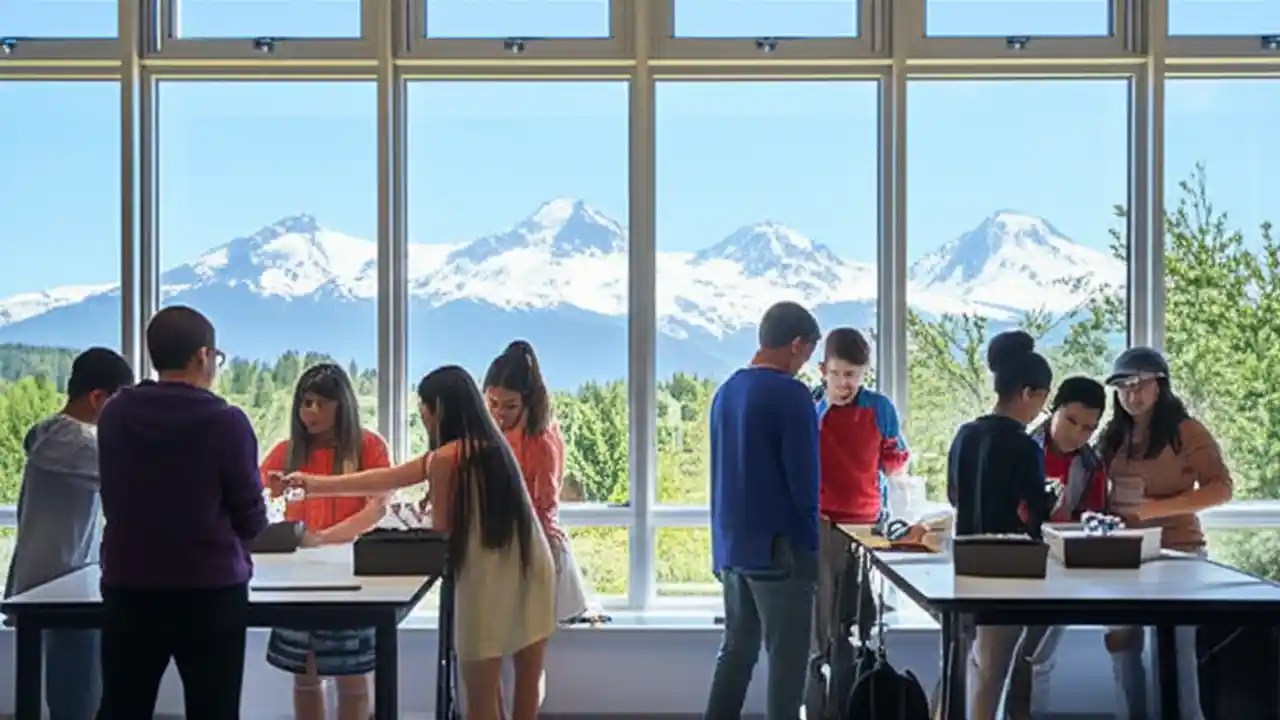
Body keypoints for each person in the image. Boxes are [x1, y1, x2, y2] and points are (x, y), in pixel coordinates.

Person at [278, 366, 556, 720]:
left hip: (487, 577)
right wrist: (314, 484)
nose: (422, 416)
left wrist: (413, 516)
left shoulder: (446, 458)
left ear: (438, 408)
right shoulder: (494, 447)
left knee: (481, 691)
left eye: (423, 407)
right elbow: (386, 478)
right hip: (533, 565)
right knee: (528, 679)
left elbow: (439, 527)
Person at [96, 306, 269, 720]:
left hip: (130, 585)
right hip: (210, 591)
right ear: (202, 356)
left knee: (123, 707)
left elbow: (112, 495)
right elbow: (250, 519)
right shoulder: (226, 422)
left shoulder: (115, 414)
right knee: (214, 709)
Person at [1098, 347, 1231, 720]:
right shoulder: (1113, 435)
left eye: (1139, 385)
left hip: (1178, 550)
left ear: (1160, 386)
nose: (1131, 395)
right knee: (1121, 645)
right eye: (1123, 387)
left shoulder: (1186, 430)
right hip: (1124, 553)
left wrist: (1156, 509)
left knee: (1176, 649)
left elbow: (1221, 488)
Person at [704, 301, 822, 720]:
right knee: (788, 666)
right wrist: (812, 546)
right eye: (807, 354)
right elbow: (804, 481)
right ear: (796, 344)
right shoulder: (792, 395)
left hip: (733, 548)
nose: (804, 365)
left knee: (736, 653)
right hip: (781, 550)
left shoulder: (725, 393)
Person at [2, 348, 133, 720]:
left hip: (50, 577)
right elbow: (134, 476)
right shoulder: (76, 444)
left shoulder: (50, 434)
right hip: (62, 582)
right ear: (97, 398)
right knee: (77, 695)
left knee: (73, 688)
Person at [260, 363, 391, 720]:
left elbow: (377, 508)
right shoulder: (286, 451)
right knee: (304, 675)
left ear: (341, 404)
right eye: (306, 403)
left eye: (321, 403)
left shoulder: (369, 446)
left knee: (353, 678)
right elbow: (253, 494)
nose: (311, 411)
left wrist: (322, 539)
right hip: (297, 577)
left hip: (352, 575)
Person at [946, 330, 1054, 720]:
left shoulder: (965, 435)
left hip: (965, 565)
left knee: (963, 669)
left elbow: (954, 495)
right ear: (1028, 393)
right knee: (993, 675)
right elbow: (1033, 513)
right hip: (1007, 571)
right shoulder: (1025, 446)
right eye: (1043, 400)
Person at [804, 327, 910, 720]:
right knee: (818, 627)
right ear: (823, 371)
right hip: (822, 524)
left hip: (866, 527)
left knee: (855, 624)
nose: (844, 383)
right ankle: (816, 709)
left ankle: (850, 708)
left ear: (864, 374)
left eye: (853, 375)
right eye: (837, 374)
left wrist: (895, 454)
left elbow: (895, 464)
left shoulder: (879, 408)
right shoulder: (812, 409)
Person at [1003, 376, 1109, 719]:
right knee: (996, 659)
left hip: (1062, 569)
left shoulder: (1091, 466)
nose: (1076, 434)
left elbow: (1092, 520)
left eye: (1088, 428)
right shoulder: (1020, 448)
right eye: (1071, 420)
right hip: (1013, 564)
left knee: (1038, 657)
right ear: (1053, 410)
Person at [483, 340, 595, 625]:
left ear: (529, 402)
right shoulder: (496, 432)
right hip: (507, 547)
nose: (499, 413)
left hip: (536, 548)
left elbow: (543, 509)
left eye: (510, 406)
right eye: (492, 403)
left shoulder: (541, 442)